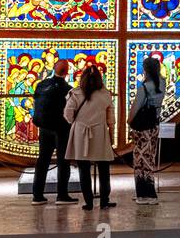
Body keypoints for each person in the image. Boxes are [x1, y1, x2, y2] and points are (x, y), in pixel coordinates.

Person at [64, 64, 117, 211]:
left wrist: (78, 122)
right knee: (104, 168)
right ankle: (104, 201)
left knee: (83, 169)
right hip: (100, 132)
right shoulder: (105, 94)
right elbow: (111, 118)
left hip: (80, 133)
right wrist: (111, 135)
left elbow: (68, 115)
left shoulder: (74, 94)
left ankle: (88, 202)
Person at [31, 59, 77, 205]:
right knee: (63, 161)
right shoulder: (68, 89)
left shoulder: (41, 85)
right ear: (67, 72)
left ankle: (37, 195)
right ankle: (62, 195)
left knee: (42, 161)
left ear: (53, 68)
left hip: (44, 128)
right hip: (61, 130)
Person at [128, 56, 166, 205]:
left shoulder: (144, 87)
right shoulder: (162, 83)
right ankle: (150, 193)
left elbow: (136, 108)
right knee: (150, 157)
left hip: (142, 128)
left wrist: (129, 121)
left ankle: (144, 194)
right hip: (154, 126)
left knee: (139, 159)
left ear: (145, 70)